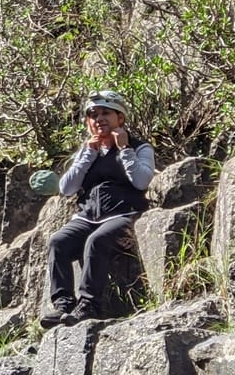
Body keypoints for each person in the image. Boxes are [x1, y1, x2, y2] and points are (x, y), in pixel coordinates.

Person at [42, 90, 154, 327]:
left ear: (120, 118)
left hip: (125, 215)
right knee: (58, 242)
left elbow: (142, 181)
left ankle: (89, 304)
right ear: (87, 122)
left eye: (106, 113)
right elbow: (67, 188)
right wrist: (88, 155)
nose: (99, 119)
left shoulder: (140, 147)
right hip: (87, 216)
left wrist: (125, 150)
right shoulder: (87, 150)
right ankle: (63, 304)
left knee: (97, 241)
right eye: (93, 115)